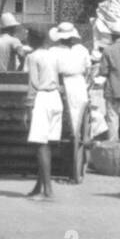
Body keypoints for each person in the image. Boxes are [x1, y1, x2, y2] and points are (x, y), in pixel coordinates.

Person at [24, 24, 61, 200]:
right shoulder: (53, 54)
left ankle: (48, 191)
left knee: (41, 146)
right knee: (47, 146)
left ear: (32, 39)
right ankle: (39, 186)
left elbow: (33, 84)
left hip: (42, 98)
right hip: (55, 98)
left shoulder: (32, 57)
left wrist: (28, 108)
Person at [53, 22, 92, 140]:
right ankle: (79, 132)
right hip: (79, 81)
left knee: (70, 109)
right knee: (80, 107)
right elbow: (88, 70)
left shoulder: (53, 51)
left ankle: (73, 133)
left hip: (63, 81)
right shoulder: (82, 49)